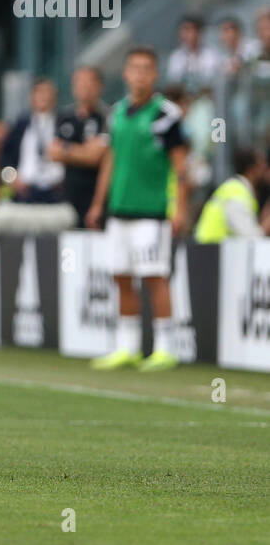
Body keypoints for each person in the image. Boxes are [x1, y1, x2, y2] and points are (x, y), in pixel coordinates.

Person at [86, 48, 189, 372]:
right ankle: (127, 346)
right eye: (134, 68)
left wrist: (179, 207)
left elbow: (181, 166)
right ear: (126, 74)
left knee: (155, 277)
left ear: (155, 74)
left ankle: (165, 347)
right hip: (120, 209)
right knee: (121, 276)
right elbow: (110, 160)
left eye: (147, 69)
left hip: (152, 211)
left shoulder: (166, 115)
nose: (140, 75)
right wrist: (99, 203)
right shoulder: (116, 113)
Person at [50, 65, 110, 227]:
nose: (84, 88)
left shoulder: (107, 116)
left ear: (99, 86)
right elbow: (53, 153)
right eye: (79, 82)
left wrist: (67, 149)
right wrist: (84, 151)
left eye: (89, 83)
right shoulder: (64, 116)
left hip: (96, 197)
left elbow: (96, 157)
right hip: (68, 195)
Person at [0, 78, 64, 203]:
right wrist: (12, 179)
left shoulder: (64, 125)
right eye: (40, 92)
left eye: (48, 92)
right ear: (32, 97)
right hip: (25, 192)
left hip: (55, 192)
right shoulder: (21, 124)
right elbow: (5, 157)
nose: (44, 97)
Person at [194, 147, 266, 243]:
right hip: (210, 252)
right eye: (262, 165)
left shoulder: (235, 189)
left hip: (213, 251)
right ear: (252, 169)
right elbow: (253, 237)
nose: (266, 168)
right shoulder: (236, 195)